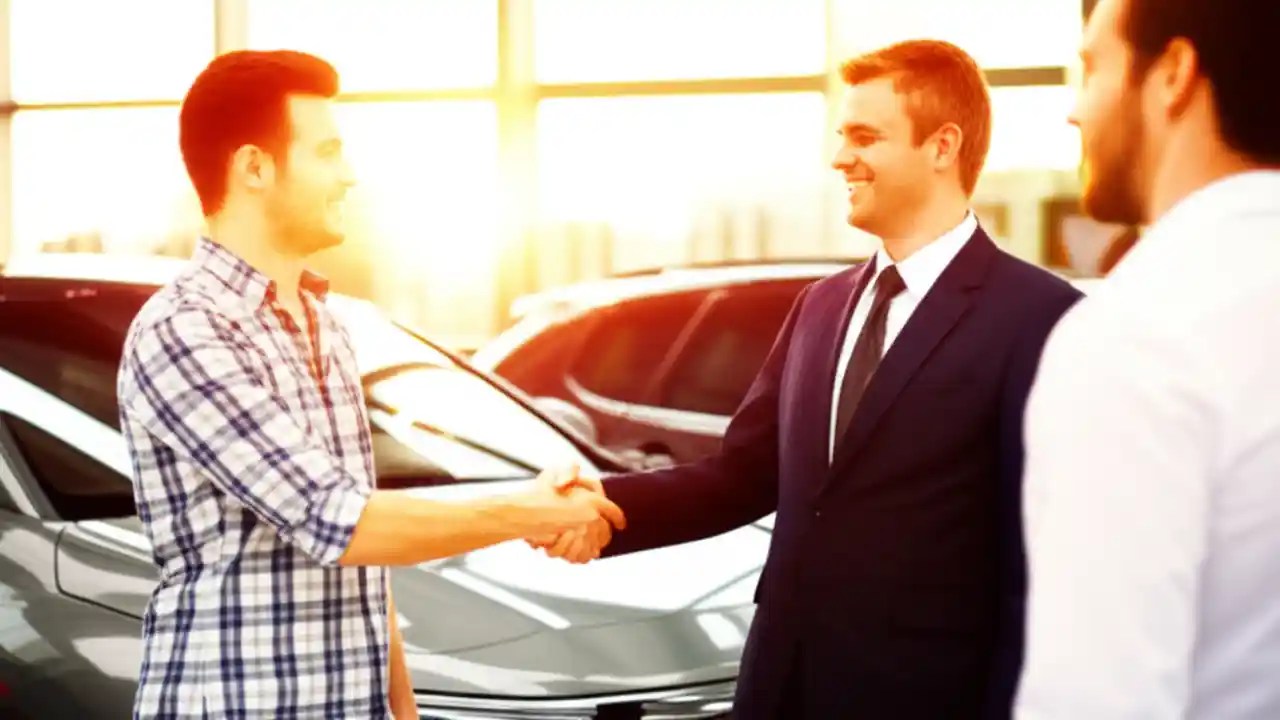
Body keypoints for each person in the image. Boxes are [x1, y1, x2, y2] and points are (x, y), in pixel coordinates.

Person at [536, 40, 1081, 719]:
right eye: (841, 136)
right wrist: (603, 506)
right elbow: (743, 476)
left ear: (942, 146)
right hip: (779, 685)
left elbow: (1040, 566)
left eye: (865, 137)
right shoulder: (820, 306)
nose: (839, 158)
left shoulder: (1042, 319)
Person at [117, 50, 624, 720]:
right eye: (327, 152)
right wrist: (538, 510)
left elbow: (367, 556)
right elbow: (339, 520)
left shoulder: (326, 327)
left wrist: (402, 711)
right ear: (255, 168)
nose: (348, 175)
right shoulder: (185, 329)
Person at [1014, 0, 1280, 717]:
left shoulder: (1137, 335)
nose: (1074, 110)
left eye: (1093, 68)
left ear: (1174, 74)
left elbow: (1094, 702)